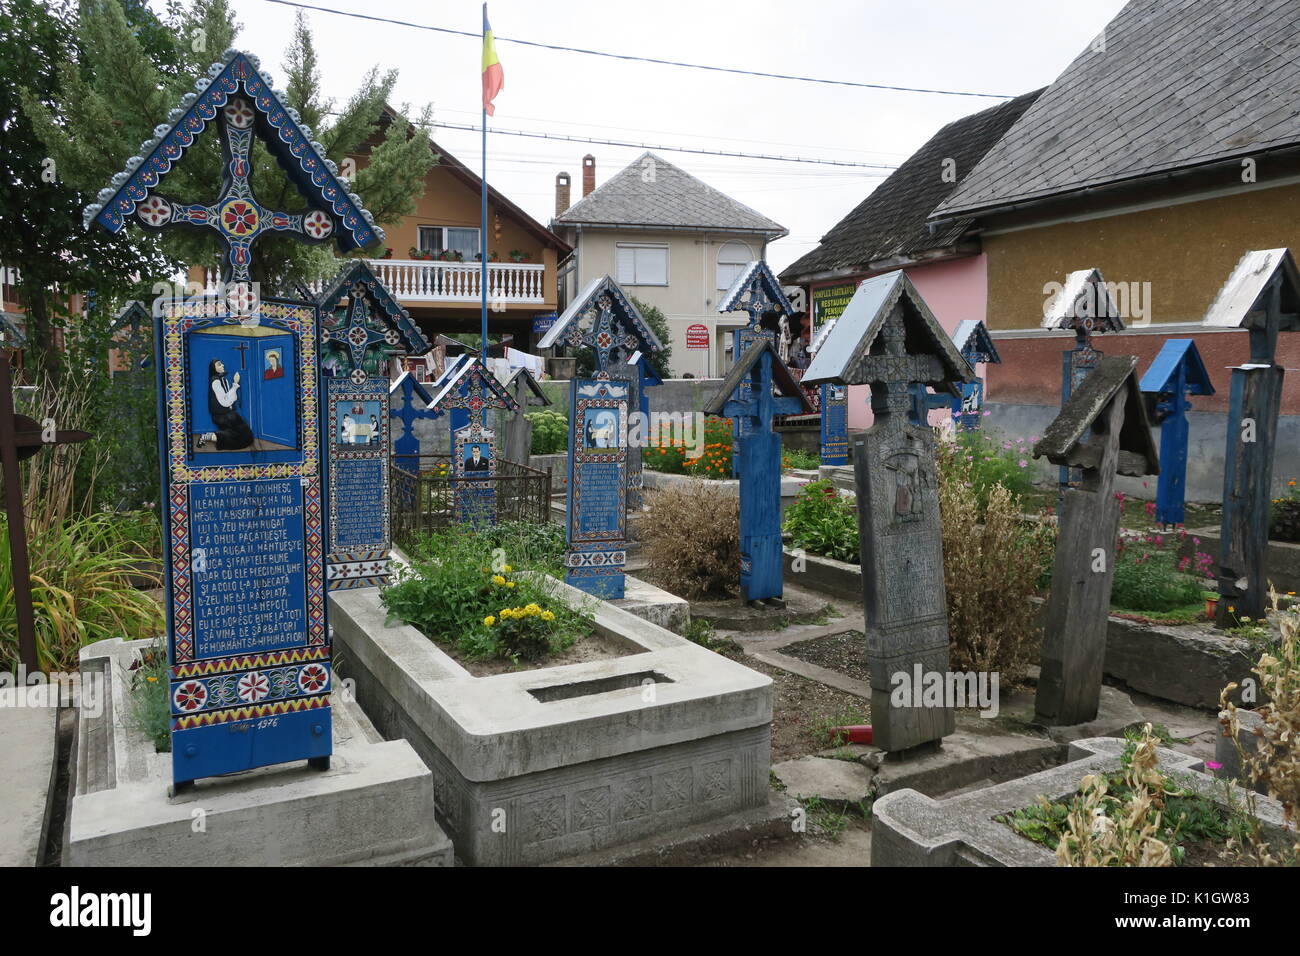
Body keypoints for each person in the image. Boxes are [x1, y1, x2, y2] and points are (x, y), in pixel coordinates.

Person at [197, 358, 254, 450]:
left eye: (222, 364)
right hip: (222, 415)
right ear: (214, 369)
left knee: (248, 436)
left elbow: (232, 398)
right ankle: (209, 436)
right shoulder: (215, 382)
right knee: (242, 437)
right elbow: (225, 402)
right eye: (219, 364)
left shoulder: (224, 380)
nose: (222, 365)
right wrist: (235, 384)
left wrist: (234, 387)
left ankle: (210, 436)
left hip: (230, 413)